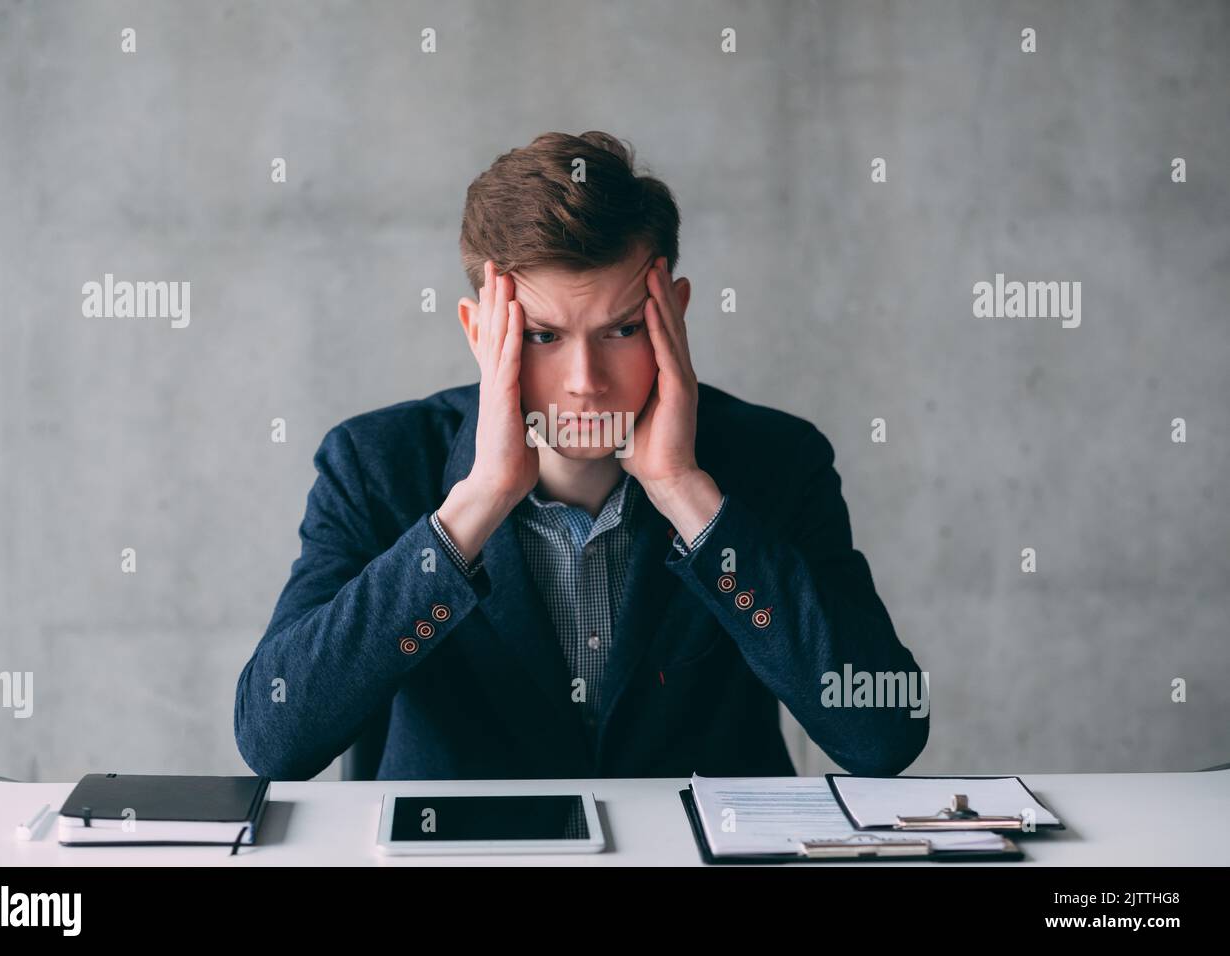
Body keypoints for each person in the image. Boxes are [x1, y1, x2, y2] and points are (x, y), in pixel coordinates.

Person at [234, 131, 929, 780]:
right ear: (480, 333)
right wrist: (474, 507)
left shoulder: (777, 459)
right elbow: (275, 738)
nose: (585, 382)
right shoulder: (375, 463)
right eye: (542, 337)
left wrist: (687, 494)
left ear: (673, 316)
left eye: (623, 329)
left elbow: (884, 734)